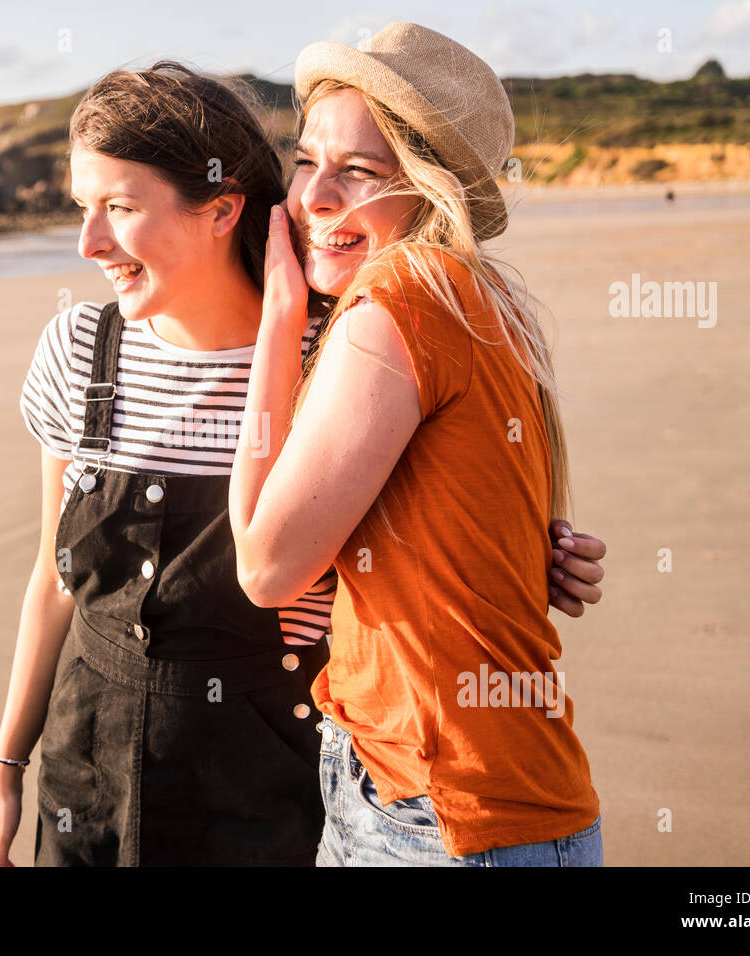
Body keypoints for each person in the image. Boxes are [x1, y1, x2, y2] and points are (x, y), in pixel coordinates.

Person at [0, 60, 605, 868]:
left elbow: (425, 513)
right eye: (83, 208)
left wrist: (531, 549)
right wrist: (5, 769)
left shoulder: (338, 351)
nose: (88, 243)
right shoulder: (79, 352)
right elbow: (53, 578)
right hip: (86, 785)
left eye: (120, 209)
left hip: (278, 798)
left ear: (224, 208)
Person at [230, 23, 605, 866]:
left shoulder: (401, 298)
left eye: (358, 171)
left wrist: (279, 315)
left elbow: (263, 566)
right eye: (306, 160)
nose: (314, 197)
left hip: (439, 819)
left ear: (431, 190)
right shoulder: (489, 302)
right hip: (477, 801)